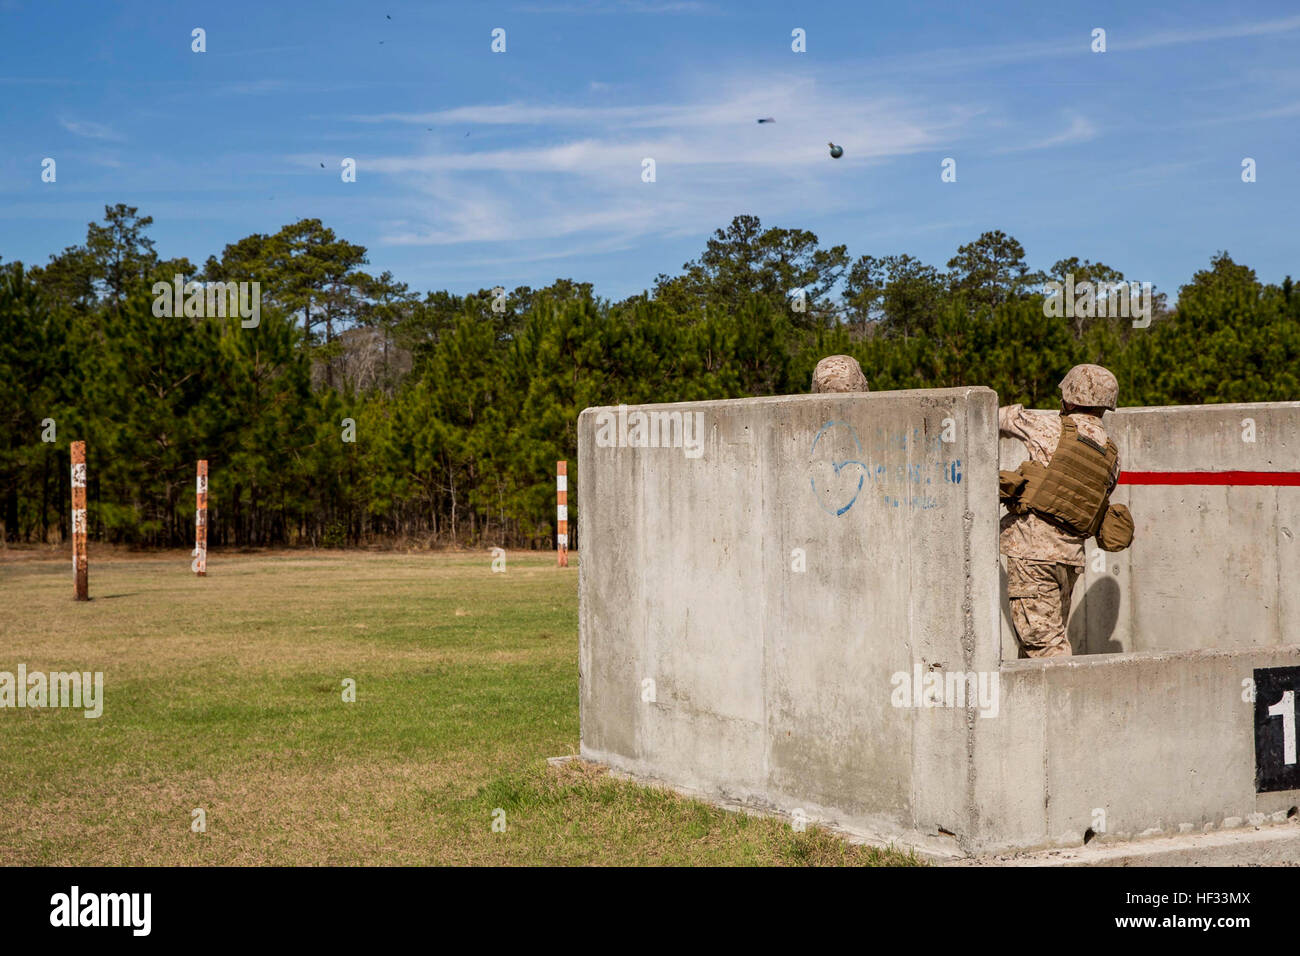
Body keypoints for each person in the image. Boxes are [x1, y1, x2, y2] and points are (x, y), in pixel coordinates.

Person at [999, 364, 1121, 658]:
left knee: (1044, 649)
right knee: (1042, 642)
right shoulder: (1111, 452)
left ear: (1068, 397)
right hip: (1069, 558)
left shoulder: (1048, 426)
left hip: (1033, 553)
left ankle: (1072, 703)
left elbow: (991, 418)